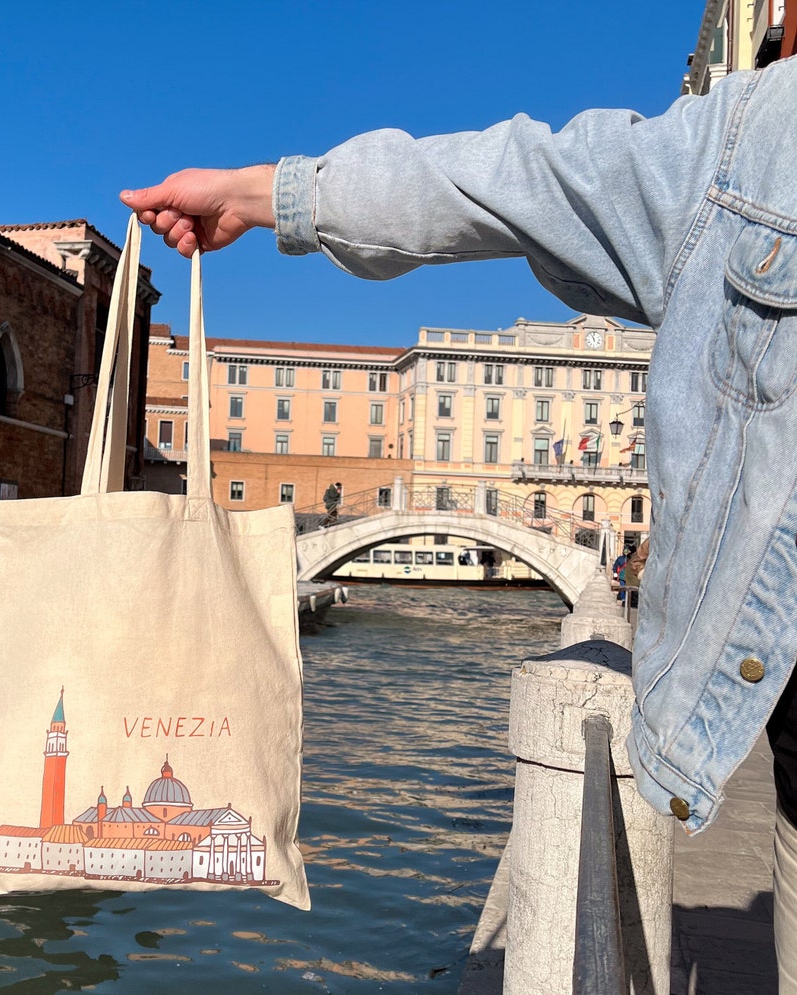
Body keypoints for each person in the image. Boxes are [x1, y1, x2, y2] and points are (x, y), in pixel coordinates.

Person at [122, 56, 797, 983]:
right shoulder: (759, 137)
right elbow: (502, 179)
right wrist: (266, 193)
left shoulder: (758, 136)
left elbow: (509, 178)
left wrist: (260, 192)